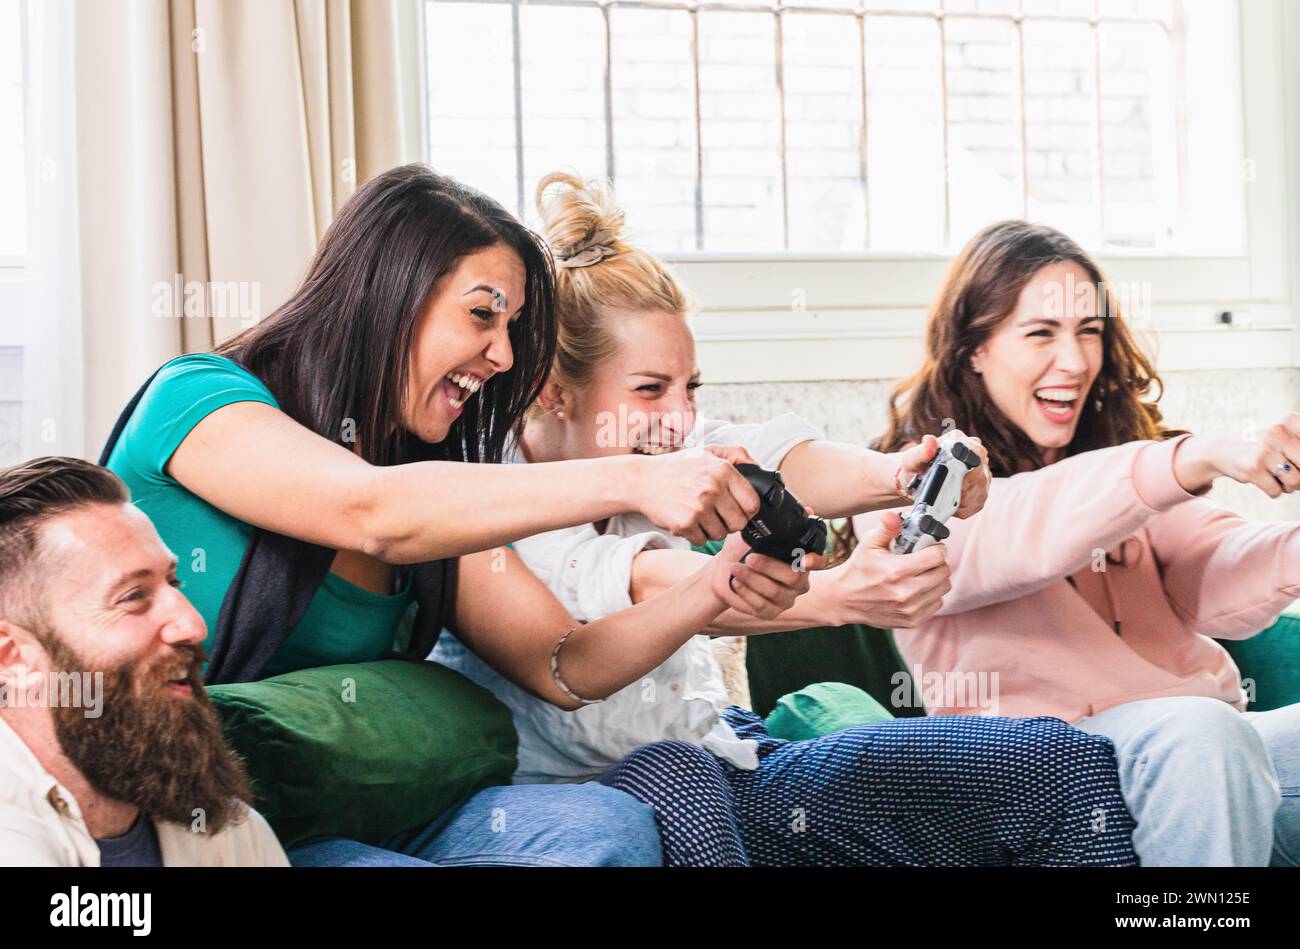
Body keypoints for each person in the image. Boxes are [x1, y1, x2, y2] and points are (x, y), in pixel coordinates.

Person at [101, 163, 812, 867]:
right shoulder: (196, 399)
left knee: (607, 827)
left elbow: (562, 665)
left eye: (513, 326)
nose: (503, 354)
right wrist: (635, 477)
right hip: (210, 806)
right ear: (388, 296)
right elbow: (371, 510)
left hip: (350, 800)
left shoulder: (433, 485)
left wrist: (709, 588)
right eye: (482, 313)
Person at [433, 172, 1141, 867]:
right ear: (555, 394)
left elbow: (788, 459)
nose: (681, 418)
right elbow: (654, 585)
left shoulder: (668, 440)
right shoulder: (494, 496)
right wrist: (840, 595)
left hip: (733, 758)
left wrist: (899, 475)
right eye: (651, 391)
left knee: (1061, 766)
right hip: (610, 789)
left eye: (690, 388)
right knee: (676, 774)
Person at [847, 219, 1300, 866]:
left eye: (1089, 332)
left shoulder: (1118, 461)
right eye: (1041, 334)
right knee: (1204, 734)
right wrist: (1194, 458)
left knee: (1211, 734)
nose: (1077, 360)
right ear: (974, 348)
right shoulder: (906, 481)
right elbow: (1020, 530)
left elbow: (1209, 579)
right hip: (1048, 766)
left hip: (1202, 748)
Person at [0, 456, 287, 866]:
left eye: (173, 582)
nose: (192, 625)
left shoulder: (229, 829)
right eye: (133, 596)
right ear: (12, 656)